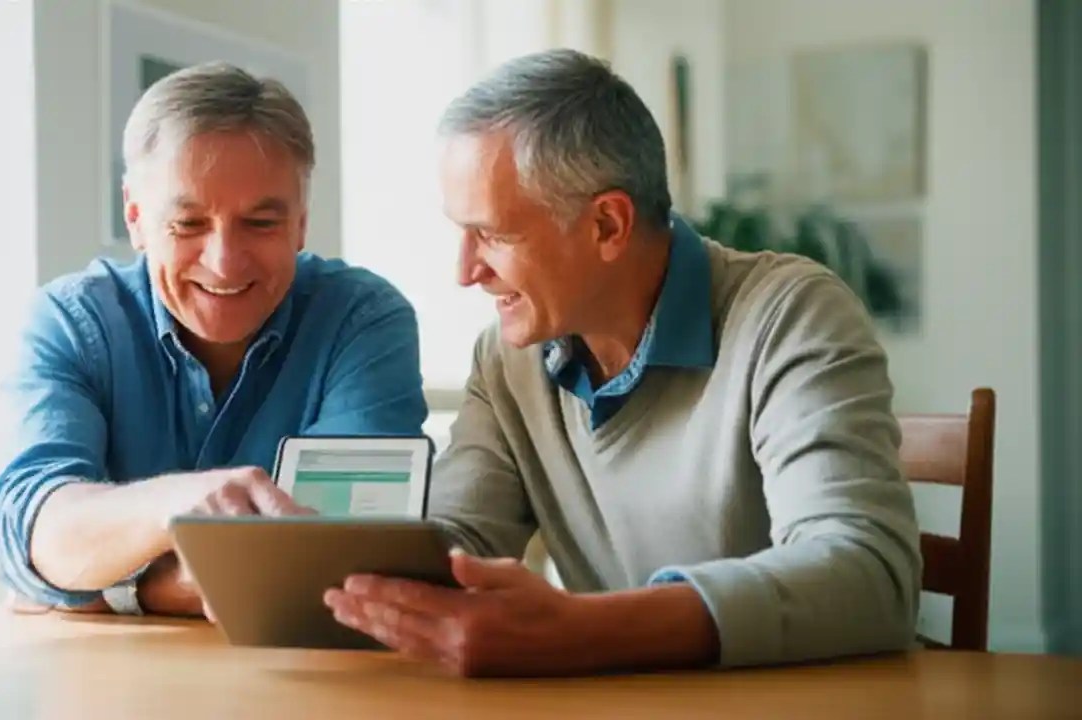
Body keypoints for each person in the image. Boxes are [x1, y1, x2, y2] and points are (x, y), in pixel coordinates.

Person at [322, 49, 922, 677]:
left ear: (607, 225)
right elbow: (455, 543)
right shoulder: (508, 358)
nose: (466, 271)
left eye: (493, 235)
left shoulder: (791, 315)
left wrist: (577, 631)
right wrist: (320, 556)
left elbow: (867, 576)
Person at [0, 62, 427, 617]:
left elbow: (342, 573)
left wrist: (120, 585)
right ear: (136, 216)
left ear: (301, 223)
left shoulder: (361, 319)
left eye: (261, 224)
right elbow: (31, 537)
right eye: (188, 224)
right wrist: (176, 504)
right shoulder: (70, 321)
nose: (224, 263)